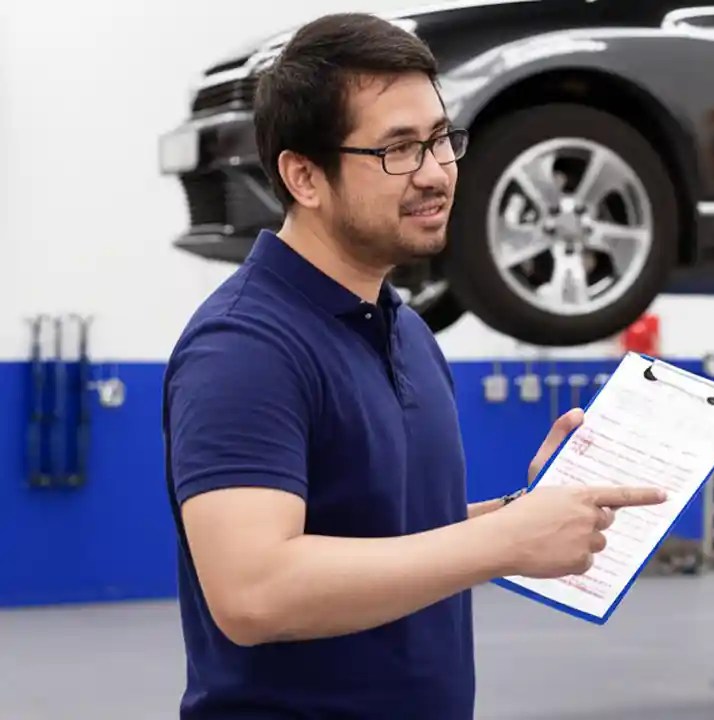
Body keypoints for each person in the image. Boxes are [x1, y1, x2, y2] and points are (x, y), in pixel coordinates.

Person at [161, 13, 667, 719]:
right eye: (398, 150)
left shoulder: (405, 329)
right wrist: (501, 542)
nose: (436, 173)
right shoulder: (245, 346)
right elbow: (254, 592)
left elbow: (385, 540)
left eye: (440, 139)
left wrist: (526, 514)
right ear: (304, 175)